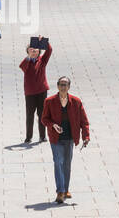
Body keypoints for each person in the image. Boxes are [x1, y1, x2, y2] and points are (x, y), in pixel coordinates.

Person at [41, 75, 90, 204]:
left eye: (65, 84)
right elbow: (44, 119)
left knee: (67, 165)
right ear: (57, 86)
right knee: (58, 162)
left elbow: (84, 121)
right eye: (61, 84)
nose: (63, 87)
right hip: (55, 138)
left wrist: (86, 136)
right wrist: (53, 125)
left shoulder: (76, 102)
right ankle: (60, 191)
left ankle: (66, 189)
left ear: (69, 87)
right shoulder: (49, 101)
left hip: (69, 138)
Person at [19, 37, 52, 144]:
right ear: (28, 51)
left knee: (42, 114)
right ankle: (28, 137)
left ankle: (42, 136)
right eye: (31, 49)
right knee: (30, 115)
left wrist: (43, 42)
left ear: (39, 51)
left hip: (42, 91)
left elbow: (49, 50)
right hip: (30, 93)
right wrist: (29, 57)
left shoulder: (42, 60)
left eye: (36, 49)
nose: (34, 51)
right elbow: (22, 67)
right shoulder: (26, 62)